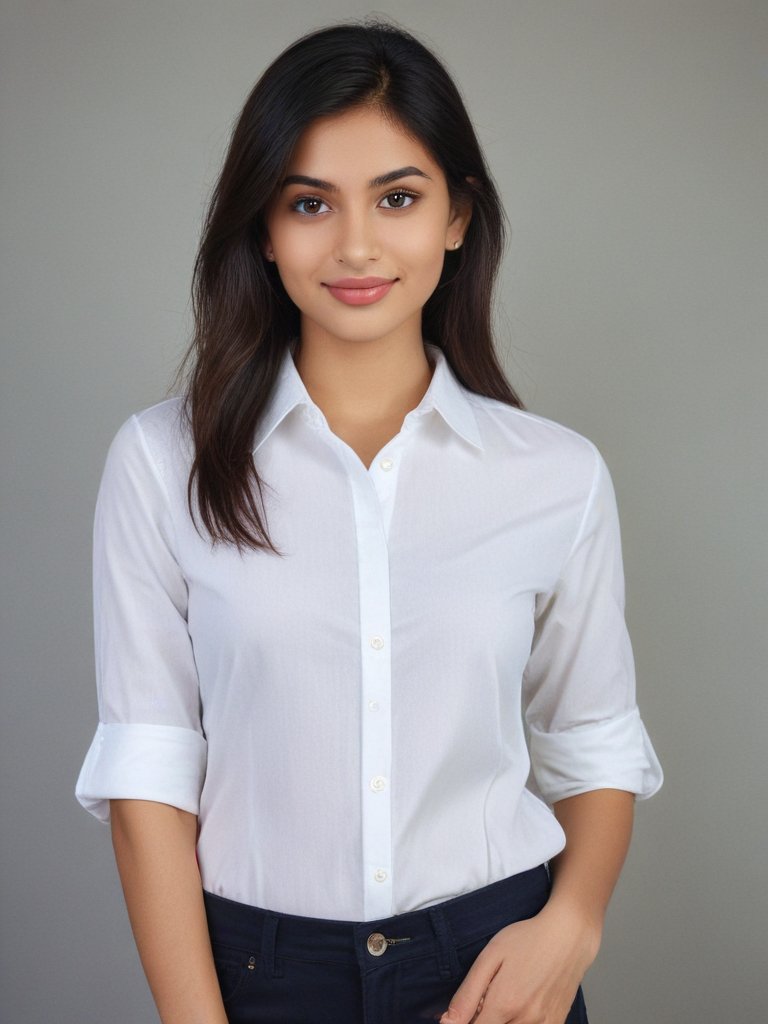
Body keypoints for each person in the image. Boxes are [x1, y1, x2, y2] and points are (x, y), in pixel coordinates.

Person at [75, 17, 663, 1024]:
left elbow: (595, 740)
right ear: (263, 226)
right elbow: (147, 779)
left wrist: (570, 925)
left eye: (397, 197)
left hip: (494, 969)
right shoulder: (158, 463)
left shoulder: (555, 475)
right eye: (310, 202)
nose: (355, 244)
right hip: (255, 975)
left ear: (457, 217)